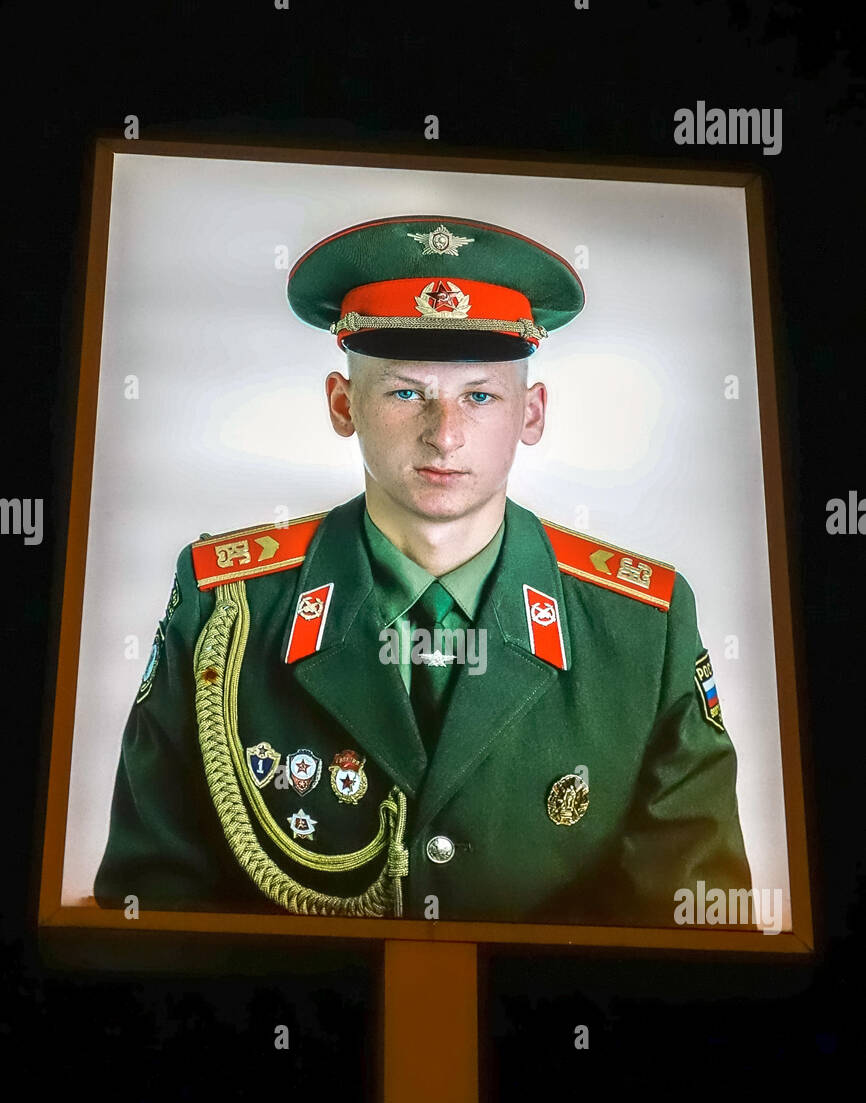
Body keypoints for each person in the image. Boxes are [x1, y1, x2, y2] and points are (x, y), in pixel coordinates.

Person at [94, 215, 750, 924]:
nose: (445, 433)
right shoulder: (225, 605)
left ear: (531, 414)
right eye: (406, 393)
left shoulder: (641, 628)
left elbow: (697, 931)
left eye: (479, 395)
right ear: (343, 406)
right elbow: (153, 909)